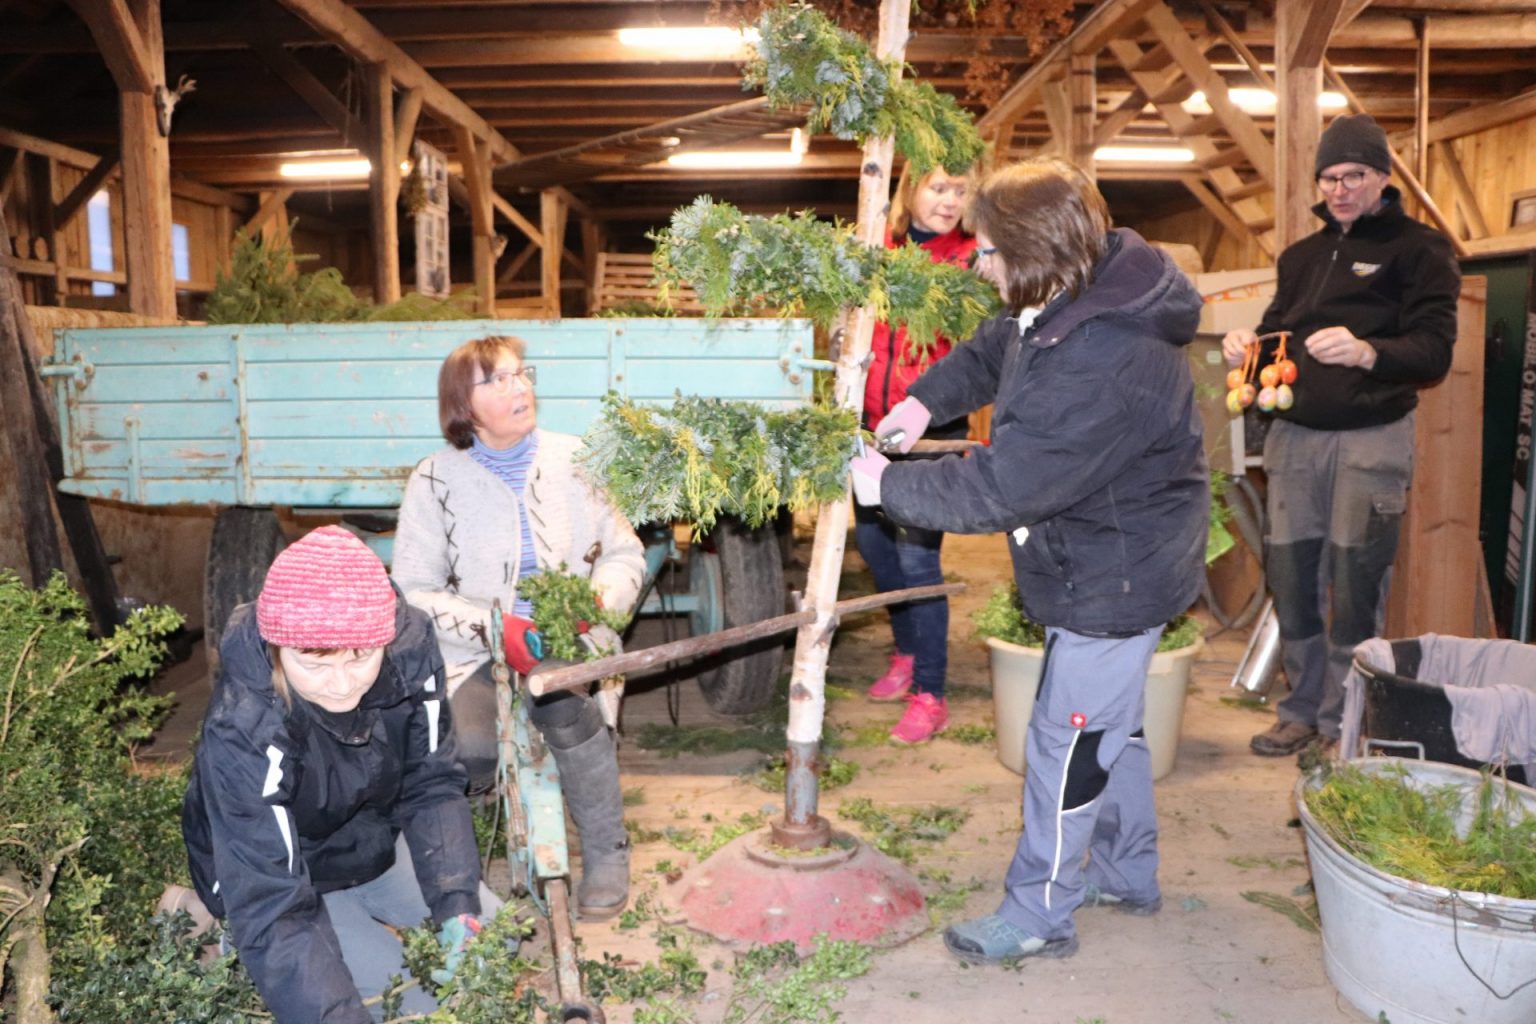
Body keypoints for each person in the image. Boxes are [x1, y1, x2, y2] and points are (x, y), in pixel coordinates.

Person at [848, 157, 1208, 964]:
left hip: (1116, 568)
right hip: (1103, 551)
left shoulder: (1106, 355)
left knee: (1069, 740)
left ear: (1037, 250)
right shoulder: (1070, 289)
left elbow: (1007, 484)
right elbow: (988, 350)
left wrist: (887, 487)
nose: (978, 261)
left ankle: (1039, 914)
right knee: (1113, 728)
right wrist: (920, 401)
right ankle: (1127, 872)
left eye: (988, 249)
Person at [182, 525, 501, 1023]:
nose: (342, 684)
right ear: (277, 650)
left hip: (368, 841)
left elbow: (432, 781)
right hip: (288, 873)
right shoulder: (244, 725)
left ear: (385, 638)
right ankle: (210, 923)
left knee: (494, 941)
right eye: (315, 663)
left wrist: (457, 901)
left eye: (361, 657)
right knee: (409, 1004)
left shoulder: (410, 649)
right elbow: (274, 901)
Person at [1223, 113, 1460, 760]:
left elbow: (1435, 350)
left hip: (1371, 437)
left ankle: (1343, 721)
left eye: (1354, 175)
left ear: (1382, 177)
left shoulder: (1420, 250)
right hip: (1294, 438)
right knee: (1291, 577)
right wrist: (1246, 350)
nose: (1340, 188)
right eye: (1329, 177)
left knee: (1357, 582)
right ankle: (1300, 707)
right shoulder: (1301, 257)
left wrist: (1367, 353)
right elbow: (1277, 338)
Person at [391, 335, 645, 920]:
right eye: (497, 380)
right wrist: (492, 629)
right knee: (471, 747)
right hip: (474, 648)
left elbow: (625, 554)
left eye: (521, 374)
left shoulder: (578, 460)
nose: (520, 387)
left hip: (568, 635)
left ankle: (607, 851)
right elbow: (413, 591)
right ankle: (461, 855)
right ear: (463, 404)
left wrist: (597, 602)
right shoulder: (434, 480)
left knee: (562, 706)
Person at [857, 162, 979, 744]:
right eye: (938, 188)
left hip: (934, 430)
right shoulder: (877, 254)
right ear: (911, 190)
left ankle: (931, 692)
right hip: (870, 427)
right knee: (874, 546)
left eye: (960, 191)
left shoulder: (971, 263)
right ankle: (906, 650)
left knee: (917, 562)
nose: (950, 201)